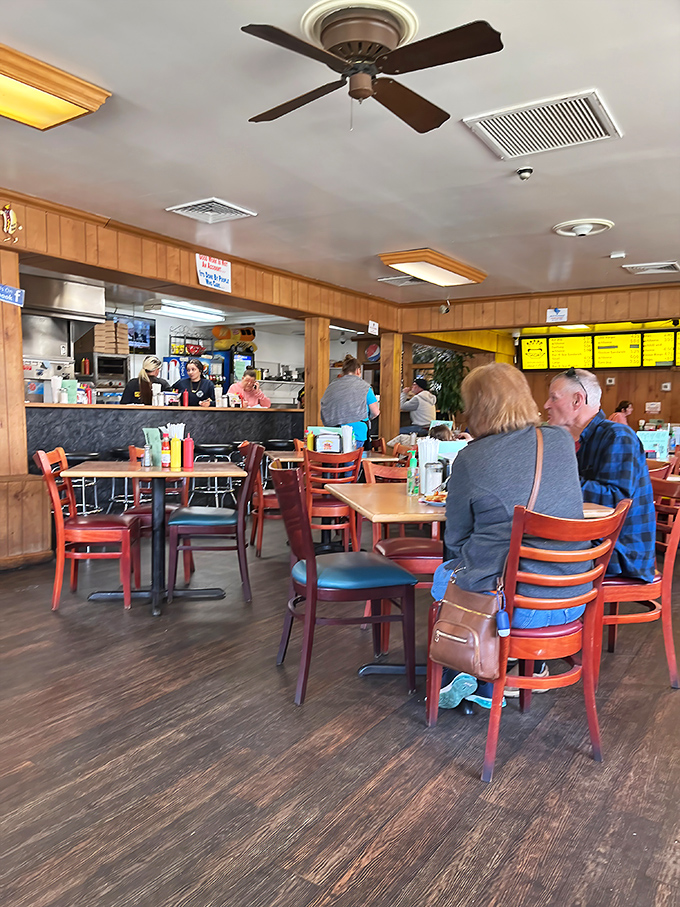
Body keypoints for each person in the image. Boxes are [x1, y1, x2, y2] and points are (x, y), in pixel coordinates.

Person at [430, 362, 593, 713]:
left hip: (515, 611)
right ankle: (489, 675)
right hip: (574, 598)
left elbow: (456, 540)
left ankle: (467, 670)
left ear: (476, 408)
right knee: (482, 573)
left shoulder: (471, 458)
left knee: (445, 577)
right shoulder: (560, 440)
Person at [544, 368, 655, 582]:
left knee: (525, 552)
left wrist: (554, 480)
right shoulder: (575, 440)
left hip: (620, 552)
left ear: (578, 400)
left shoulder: (618, 436)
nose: (546, 405)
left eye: (553, 398)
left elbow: (615, 500)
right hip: (594, 538)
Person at [319, 354, 379, 448]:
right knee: (353, 457)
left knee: (335, 456)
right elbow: (375, 412)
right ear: (358, 370)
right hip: (357, 433)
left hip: (332, 434)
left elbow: (324, 409)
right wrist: (366, 417)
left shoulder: (331, 386)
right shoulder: (364, 387)